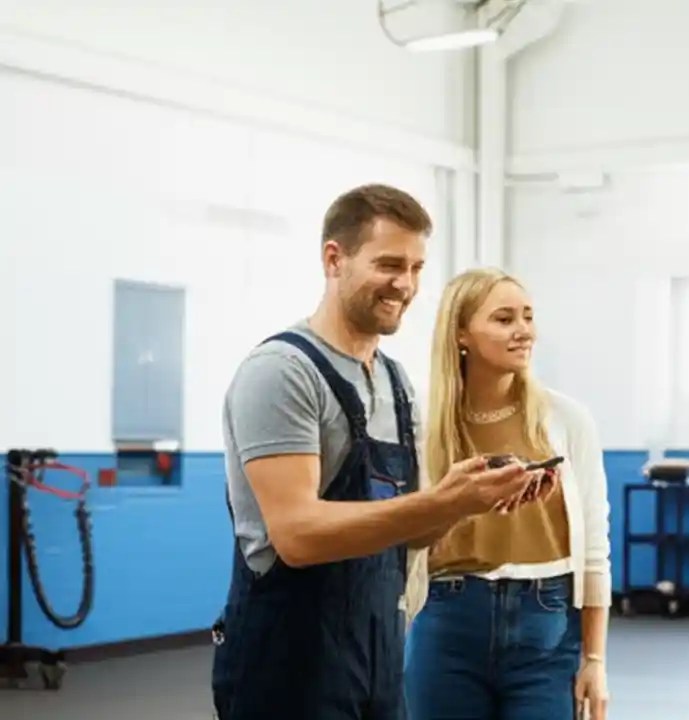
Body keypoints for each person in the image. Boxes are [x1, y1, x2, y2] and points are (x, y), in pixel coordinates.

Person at [210, 185, 544, 720]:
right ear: (333, 259)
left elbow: (407, 532)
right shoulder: (281, 373)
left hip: (379, 661)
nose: (405, 284)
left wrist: (466, 500)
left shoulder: (395, 381)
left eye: (416, 267)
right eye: (389, 264)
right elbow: (297, 535)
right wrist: (441, 502)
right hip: (288, 666)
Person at [402, 267, 613, 720]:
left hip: (547, 622)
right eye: (504, 319)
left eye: (528, 316)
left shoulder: (566, 419)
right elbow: (403, 528)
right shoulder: (420, 423)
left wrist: (595, 660)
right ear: (461, 333)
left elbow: (595, 547)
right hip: (446, 619)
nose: (524, 331)